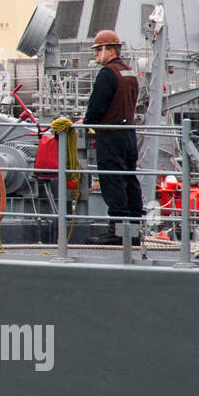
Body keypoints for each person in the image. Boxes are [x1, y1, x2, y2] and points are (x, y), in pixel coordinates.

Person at [84, 28, 142, 243]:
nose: (95, 55)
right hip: (129, 134)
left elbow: (97, 107)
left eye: (98, 50)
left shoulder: (108, 74)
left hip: (111, 135)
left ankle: (118, 232)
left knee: (112, 181)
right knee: (129, 179)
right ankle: (134, 229)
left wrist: (86, 123)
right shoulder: (128, 71)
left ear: (109, 50)